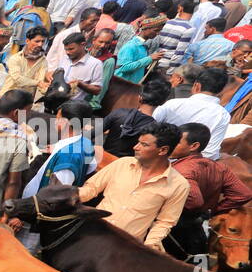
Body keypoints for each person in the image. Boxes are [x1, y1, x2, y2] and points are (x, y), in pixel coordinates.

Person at [78, 123, 190, 252]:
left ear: (163, 150)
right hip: (91, 234)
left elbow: (165, 222)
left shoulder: (179, 185)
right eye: (138, 142)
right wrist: (68, 196)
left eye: (144, 145)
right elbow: (91, 189)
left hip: (124, 249)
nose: (136, 147)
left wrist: (150, 246)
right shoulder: (122, 164)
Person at [166, 122, 252, 260]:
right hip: (199, 231)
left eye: (176, 142)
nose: (170, 145)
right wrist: (214, 210)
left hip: (174, 231)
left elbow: (195, 201)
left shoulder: (181, 170)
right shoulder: (219, 167)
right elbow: (244, 193)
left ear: (194, 146)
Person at [153, 67, 231, 158]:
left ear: (196, 86)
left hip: (158, 158)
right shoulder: (222, 115)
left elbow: (150, 127)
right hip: (191, 165)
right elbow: (210, 153)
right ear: (222, 91)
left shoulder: (172, 104)